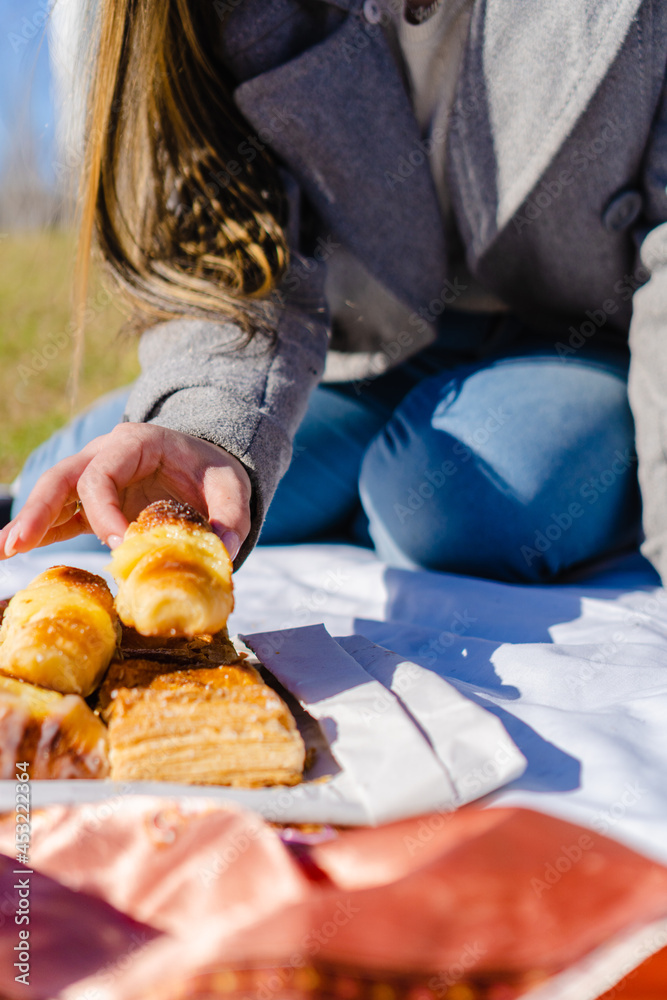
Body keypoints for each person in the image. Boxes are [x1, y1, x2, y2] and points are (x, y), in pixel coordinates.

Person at [1, 0, 665, 585]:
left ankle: (379, 469)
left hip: (576, 336)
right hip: (353, 348)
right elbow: (232, 249)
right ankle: (370, 452)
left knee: (455, 508)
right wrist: (211, 424)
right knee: (79, 488)